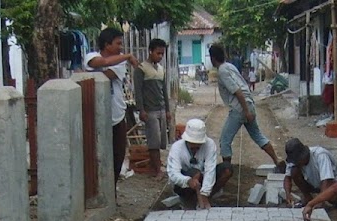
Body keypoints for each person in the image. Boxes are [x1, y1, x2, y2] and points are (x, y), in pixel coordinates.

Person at [209, 43, 284, 174]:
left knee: (225, 140)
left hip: (240, 108)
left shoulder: (222, 71)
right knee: (257, 135)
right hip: (249, 103)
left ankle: (226, 171)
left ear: (213, 58)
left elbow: (237, 91)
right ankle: (277, 161)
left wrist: (246, 111)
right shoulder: (230, 66)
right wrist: (249, 109)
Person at [85, 27, 138, 182]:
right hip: (95, 114)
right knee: (97, 154)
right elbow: (101, 63)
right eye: (118, 43)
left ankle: (112, 188)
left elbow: (105, 76)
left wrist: (89, 75)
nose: (120, 47)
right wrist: (128, 56)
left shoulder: (119, 61)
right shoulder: (91, 56)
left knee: (117, 155)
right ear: (107, 45)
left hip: (117, 114)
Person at [166, 118, 233, 210]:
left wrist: (205, 192)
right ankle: (188, 200)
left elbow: (210, 169)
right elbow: (173, 173)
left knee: (227, 169)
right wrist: (187, 181)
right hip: (184, 184)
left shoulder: (209, 144)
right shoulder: (177, 148)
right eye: (192, 144)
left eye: (198, 144)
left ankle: (205, 198)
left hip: (202, 178)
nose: (196, 147)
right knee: (195, 173)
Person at [134, 39, 173, 178]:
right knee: (153, 141)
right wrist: (141, 110)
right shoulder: (141, 68)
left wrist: (168, 110)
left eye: (162, 54)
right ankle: (157, 170)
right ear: (150, 51)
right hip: (150, 110)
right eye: (158, 53)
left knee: (162, 141)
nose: (160, 56)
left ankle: (156, 166)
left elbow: (164, 91)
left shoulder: (161, 69)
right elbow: (138, 91)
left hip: (161, 109)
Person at [282, 138, 337, 207]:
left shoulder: (320, 155)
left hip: (334, 183)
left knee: (332, 197)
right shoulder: (294, 160)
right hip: (315, 184)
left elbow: (326, 180)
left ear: (303, 156)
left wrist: (319, 202)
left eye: (298, 161)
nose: (296, 163)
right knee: (294, 171)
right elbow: (287, 178)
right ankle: (308, 198)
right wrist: (288, 195)